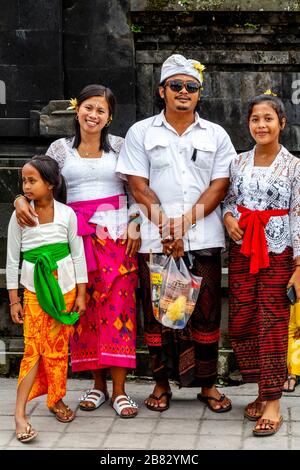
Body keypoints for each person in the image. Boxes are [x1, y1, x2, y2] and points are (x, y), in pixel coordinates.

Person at [116, 54, 236, 413]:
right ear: (162, 91)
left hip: (202, 240)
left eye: (191, 86)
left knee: (206, 315)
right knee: (157, 317)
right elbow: (138, 185)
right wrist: (167, 227)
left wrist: (185, 222)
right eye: (176, 85)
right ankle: (161, 384)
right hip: (155, 241)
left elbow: (220, 184)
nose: (184, 91)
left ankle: (208, 386)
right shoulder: (142, 132)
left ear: (199, 94)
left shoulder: (216, 134)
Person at [14, 84, 141, 418]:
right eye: (88, 108)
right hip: (73, 239)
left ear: (109, 116)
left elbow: (138, 189)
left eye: (101, 110)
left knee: (118, 310)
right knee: (83, 312)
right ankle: (96, 385)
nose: (93, 115)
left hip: (114, 237)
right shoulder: (59, 149)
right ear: (77, 110)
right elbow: (38, 181)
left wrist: (134, 222)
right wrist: (19, 199)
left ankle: (120, 391)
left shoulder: (120, 147)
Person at [223, 91, 300, 436]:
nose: (261, 125)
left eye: (268, 118)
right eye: (255, 119)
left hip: (278, 251)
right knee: (241, 322)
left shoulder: (294, 167)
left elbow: (299, 214)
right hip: (242, 250)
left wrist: (299, 265)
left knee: (271, 322)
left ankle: (272, 403)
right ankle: (260, 388)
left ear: (282, 124)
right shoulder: (238, 162)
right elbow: (228, 199)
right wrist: (227, 217)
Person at [7, 155, 87, 443]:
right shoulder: (20, 217)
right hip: (32, 293)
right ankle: (20, 414)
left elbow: (77, 254)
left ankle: (56, 399)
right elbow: (13, 258)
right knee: (33, 350)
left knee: (57, 348)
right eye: (24, 182)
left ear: (51, 184)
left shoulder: (67, 214)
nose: (26, 187)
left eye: (32, 181)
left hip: (64, 292)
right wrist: (14, 300)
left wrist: (81, 292)